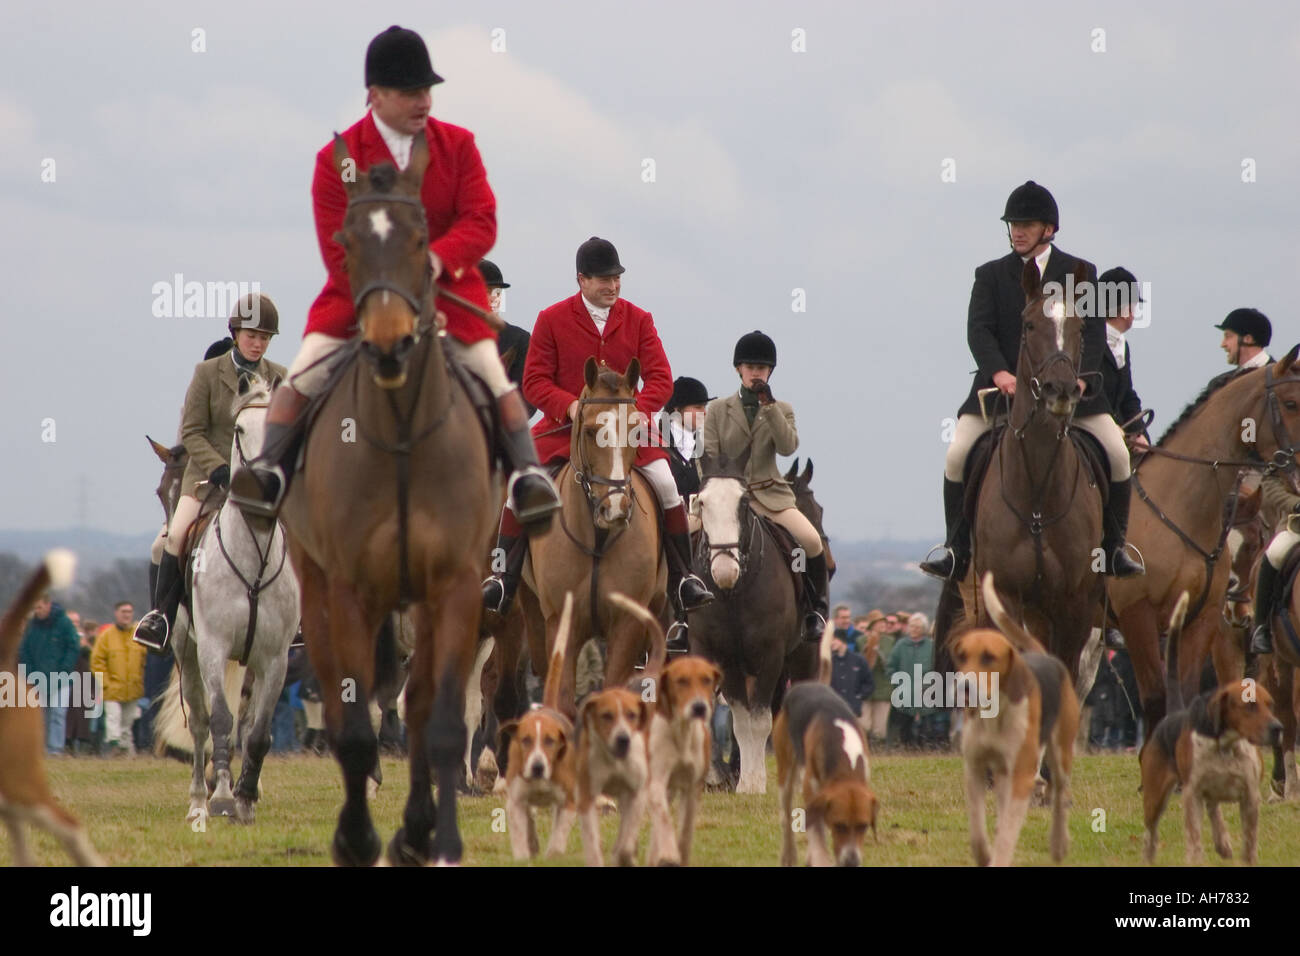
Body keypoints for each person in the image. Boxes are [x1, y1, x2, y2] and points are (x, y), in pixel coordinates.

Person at [230, 25, 560, 532]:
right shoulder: (336, 160)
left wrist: (435, 260)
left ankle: (527, 478)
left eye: (427, 90)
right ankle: (270, 471)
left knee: (492, 374)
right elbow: (336, 248)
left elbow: (481, 221)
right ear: (375, 95)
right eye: (410, 91)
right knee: (303, 374)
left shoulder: (458, 145)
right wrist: (387, 290)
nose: (423, 101)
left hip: (449, 295)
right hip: (359, 297)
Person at [481, 236, 713, 624]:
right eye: (604, 279)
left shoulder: (639, 318)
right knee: (519, 486)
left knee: (667, 483)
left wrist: (639, 410)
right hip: (566, 430)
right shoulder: (551, 318)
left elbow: (661, 377)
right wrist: (569, 405)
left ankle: (682, 578)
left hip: (627, 432)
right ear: (581, 280)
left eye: (617, 278)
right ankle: (503, 577)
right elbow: (536, 381)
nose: (613, 286)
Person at [920, 181, 1141, 581]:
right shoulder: (989, 275)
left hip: (1071, 395)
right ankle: (957, 549)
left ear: (1049, 229)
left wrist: (1083, 380)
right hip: (1001, 394)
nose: (1017, 231)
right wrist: (1001, 372)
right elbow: (979, 330)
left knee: (1118, 454)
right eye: (1013, 224)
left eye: (1027, 224)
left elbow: (1091, 333)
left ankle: (1113, 548)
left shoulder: (1080, 273)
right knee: (957, 454)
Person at [133, 295, 287, 652]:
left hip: (259, 484)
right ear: (235, 333)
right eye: (252, 335)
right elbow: (192, 431)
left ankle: (295, 621)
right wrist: (219, 466)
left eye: (265, 337)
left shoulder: (279, 377)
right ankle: (161, 617)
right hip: (206, 480)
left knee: (295, 534)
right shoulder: (207, 373)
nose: (258, 343)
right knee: (170, 540)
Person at [699, 330, 831, 642]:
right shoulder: (718, 410)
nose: (756, 373)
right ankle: (681, 611)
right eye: (750, 367)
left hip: (771, 495)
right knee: (687, 533)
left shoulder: (782, 408)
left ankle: (815, 610)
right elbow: (708, 456)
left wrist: (769, 407)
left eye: (761, 368)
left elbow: (788, 448)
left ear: (769, 372)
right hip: (727, 498)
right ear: (738, 369)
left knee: (812, 542)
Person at [17, 592, 80, 757]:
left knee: (58, 713)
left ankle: (55, 749)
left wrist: (64, 670)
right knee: (41, 716)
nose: (37, 611)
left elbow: (73, 647)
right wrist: (30, 674)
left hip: (61, 678)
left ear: (48, 604)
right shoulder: (31, 626)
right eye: (34, 608)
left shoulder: (64, 623)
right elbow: (24, 651)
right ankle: (40, 749)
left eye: (39, 607)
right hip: (38, 679)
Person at [1098, 266, 1150, 450]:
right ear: (1127, 309)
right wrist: (1112, 428)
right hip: (1091, 425)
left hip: (1120, 429)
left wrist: (1139, 432)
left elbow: (1127, 394)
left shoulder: (1122, 345)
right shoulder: (1089, 341)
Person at [479, 258, 534, 414]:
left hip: (505, 426)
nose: (494, 298)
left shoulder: (520, 339)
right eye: (487, 291)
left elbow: (527, 396)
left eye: (498, 292)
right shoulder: (450, 337)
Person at [91, 602, 146, 756]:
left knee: (127, 724)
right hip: (112, 690)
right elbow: (97, 661)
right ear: (116, 613)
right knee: (113, 720)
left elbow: (145, 660)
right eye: (123, 611)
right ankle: (113, 747)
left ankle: (125, 754)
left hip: (133, 689)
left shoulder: (139, 634)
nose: (126, 615)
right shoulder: (106, 636)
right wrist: (106, 683)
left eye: (129, 611)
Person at [886, 612, 935, 749]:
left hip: (926, 695)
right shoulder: (900, 645)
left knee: (926, 730)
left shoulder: (931, 646)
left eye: (918, 627)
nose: (914, 629)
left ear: (923, 629)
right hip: (904, 695)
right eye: (912, 626)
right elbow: (890, 667)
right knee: (903, 730)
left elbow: (936, 668)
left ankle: (925, 752)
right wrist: (898, 683)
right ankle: (904, 751)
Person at [661, 375, 713, 502]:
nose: (705, 412)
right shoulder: (657, 444)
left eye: (705, 406)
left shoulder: (708, 446)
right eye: (698, 407)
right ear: (677, 409)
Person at [858, 611, 894, 747]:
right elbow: (858, 664)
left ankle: (877, 752)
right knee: (863, 725)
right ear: (873, 625)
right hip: (865, 689)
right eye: (880, 622)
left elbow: (889, 664)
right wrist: (865, 651)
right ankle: (864, 748)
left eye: (884, 622)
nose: (883, 625)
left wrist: (879, 652)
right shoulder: (860, 641)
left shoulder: (889, 641)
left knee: (880, 729)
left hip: (882, 688)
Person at [828, 633, 874, 723]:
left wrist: (859, 696)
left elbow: (869, 682)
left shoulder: (858, 660)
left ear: (843, 641)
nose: (831, 643)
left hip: (854, 708)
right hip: (834, 708)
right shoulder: (830, 661)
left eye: (834, 640)